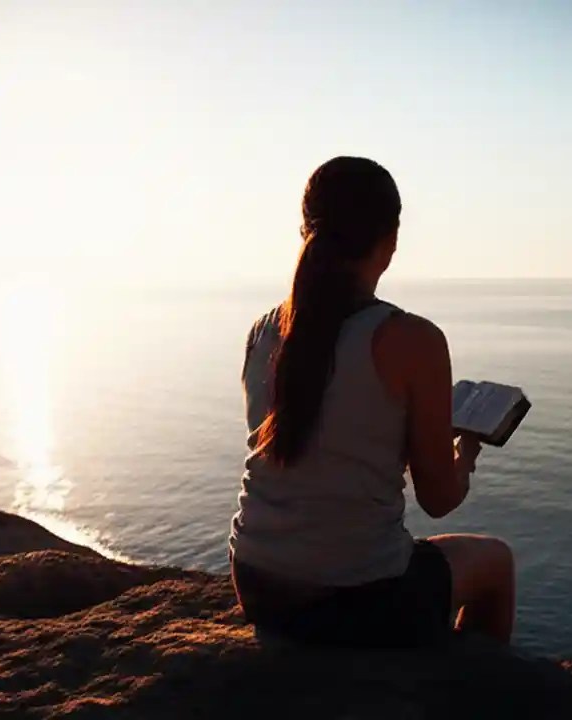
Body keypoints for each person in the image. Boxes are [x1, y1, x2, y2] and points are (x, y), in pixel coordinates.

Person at [228, 156, 515, 648]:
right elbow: (439, 500)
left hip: (256, 580)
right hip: (356, 597)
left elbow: (320, 444)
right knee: (496, 561)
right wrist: (465, 450)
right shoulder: (413, 340)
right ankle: (467, 684)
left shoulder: (263, 331)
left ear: (305, 230)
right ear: (392, 240)